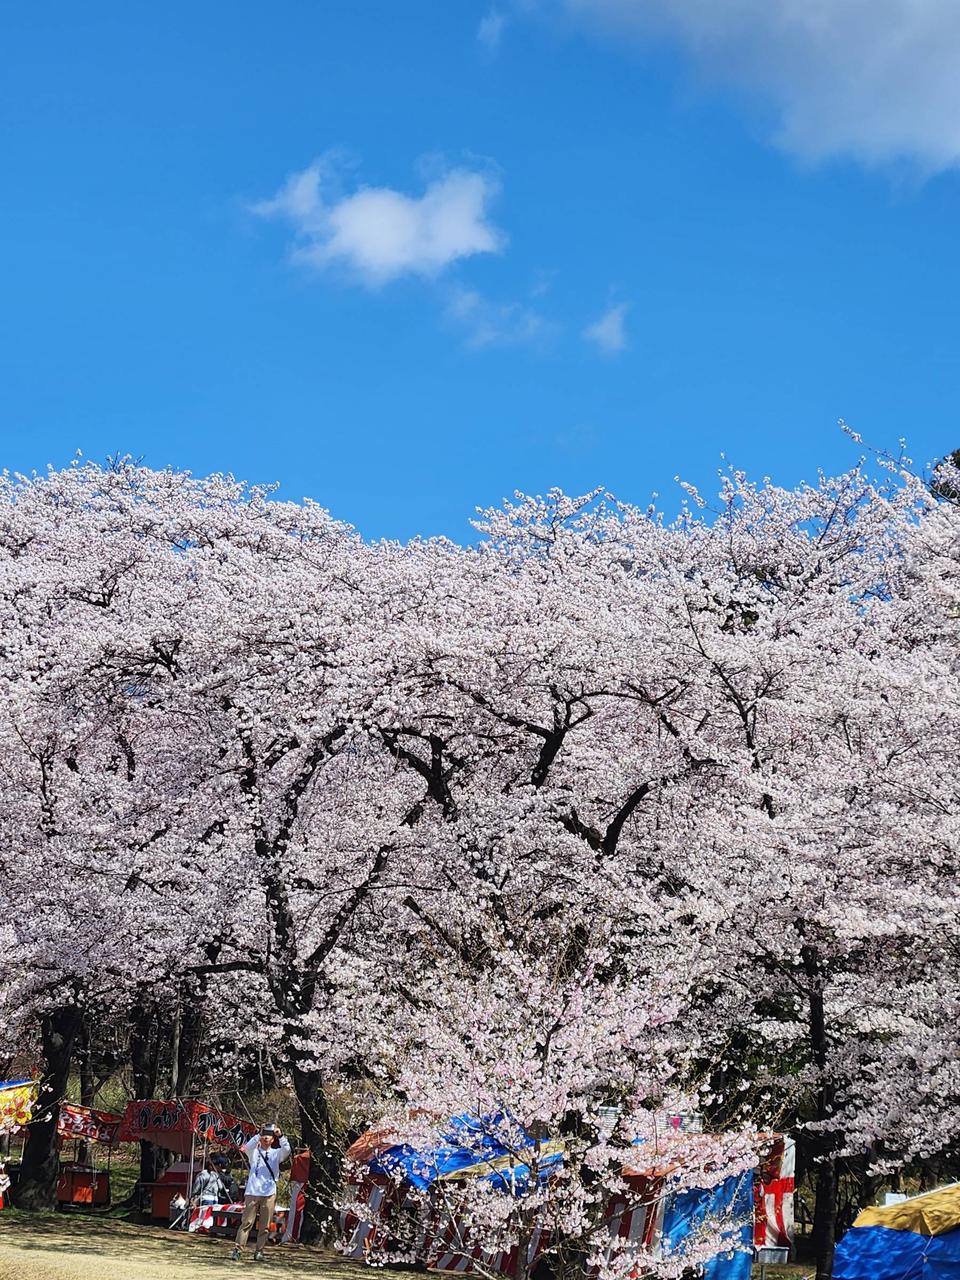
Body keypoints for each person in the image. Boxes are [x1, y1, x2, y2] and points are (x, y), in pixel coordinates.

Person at [231, 1124, 291, 1262]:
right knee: (246, 1222)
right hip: (252, 1191)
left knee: (264, 1225)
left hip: (269, 1193)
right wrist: (258, 1133)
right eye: (264, 1135)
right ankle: (238, 1249)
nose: (265, 1138)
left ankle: (259, 1251)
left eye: (268, 1135)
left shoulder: (276, 1153)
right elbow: (247, 1147)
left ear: (272, 1139)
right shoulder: (254, 1152)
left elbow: (287, 1150)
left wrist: (280, 1136)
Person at [280, 1145, 310, 1243]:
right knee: (296, 1210)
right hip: (301, 1183)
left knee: (297, 1210)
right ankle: (291, 1236)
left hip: (302, 1183)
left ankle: (292, 1236)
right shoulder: (301, 1158)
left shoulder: (302, 1158)